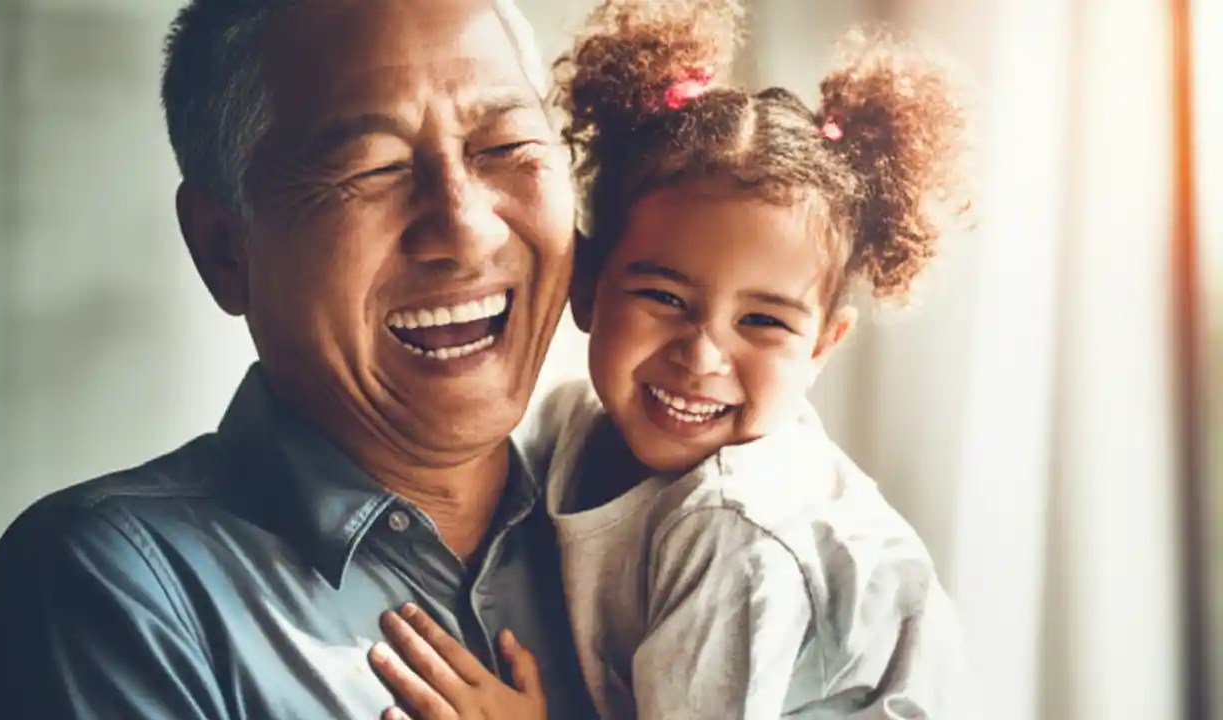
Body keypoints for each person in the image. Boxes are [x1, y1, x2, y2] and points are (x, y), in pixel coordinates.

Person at [0, 1, 595, 718]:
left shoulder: (662, 531)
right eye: (377, 168)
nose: (465, 230)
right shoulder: (122, 585)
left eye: (505, 146)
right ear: (224, 249)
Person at [366, 0, 974, 717]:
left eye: (762, 321)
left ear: (820, 349)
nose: (703, 354)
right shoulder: (568, 427)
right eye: (664, 297)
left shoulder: (735, 531)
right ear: (586, 285)